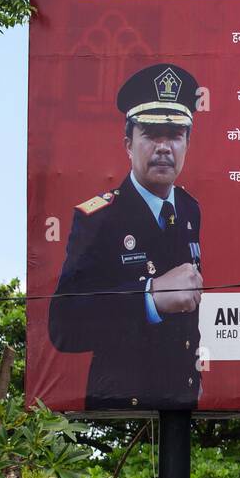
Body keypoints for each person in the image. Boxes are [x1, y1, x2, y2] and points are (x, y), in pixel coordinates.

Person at [48, 63, 205, 410]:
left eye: (175, 135)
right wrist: (149, 298)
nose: (164, 147)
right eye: (151, 134)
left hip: (184, 401)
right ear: (128, 144)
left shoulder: (190, 209)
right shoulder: (99, 218)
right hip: (122, 410)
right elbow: (64, 324)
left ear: (188, 143)